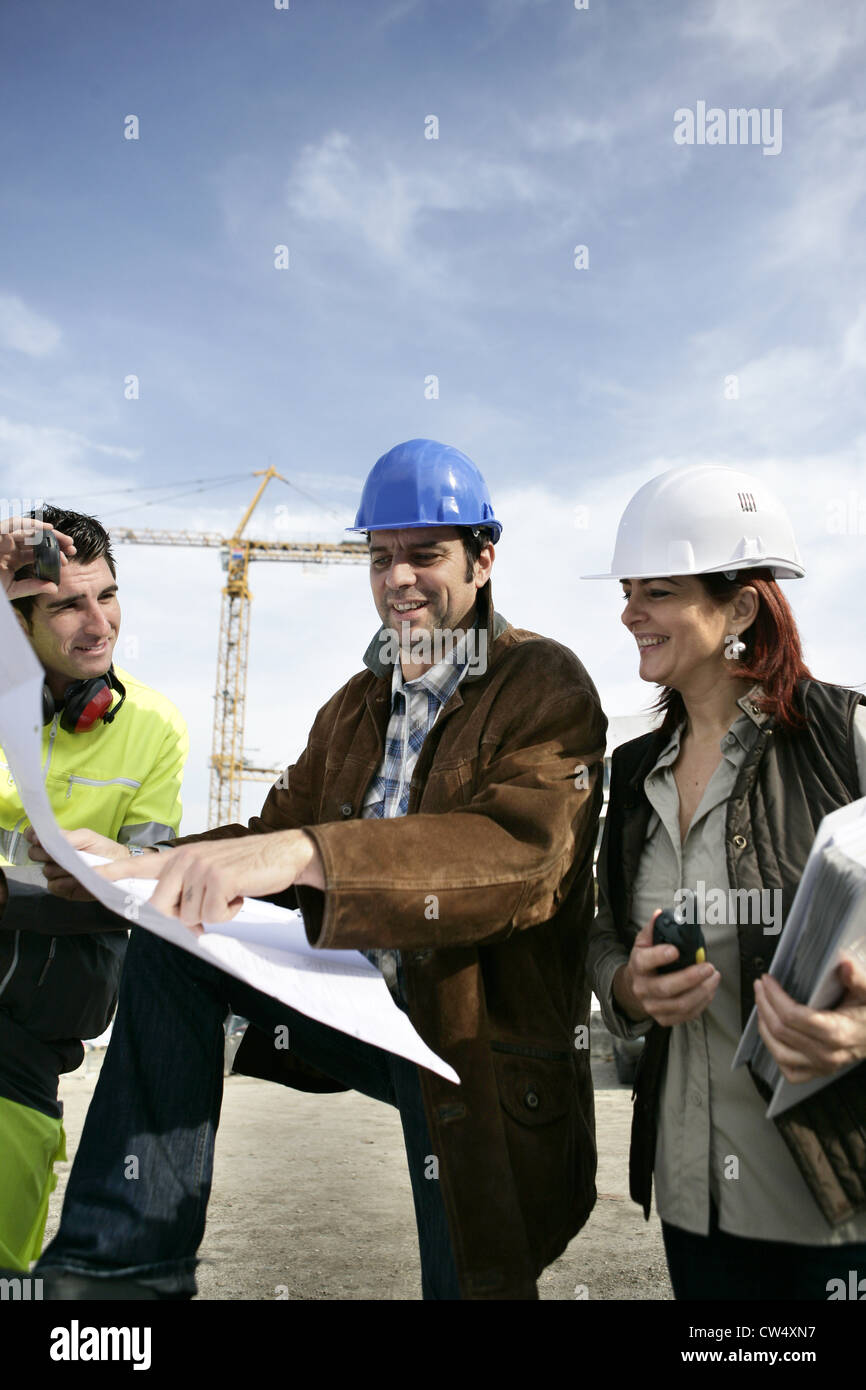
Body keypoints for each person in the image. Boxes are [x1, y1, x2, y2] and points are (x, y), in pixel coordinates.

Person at [31, 438, 606, 1301]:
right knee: (172, 937)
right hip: (356, 1009)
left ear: (483, 559)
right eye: (380, 558)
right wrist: (147, 864)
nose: (398, 579)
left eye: (424, 555)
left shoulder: (541, 682)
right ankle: (118, 1275)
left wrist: (310, 854)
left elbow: (518, 860)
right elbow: (269, 831)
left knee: (475, 1281)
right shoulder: (356, 702)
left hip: (468, 1041)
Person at [586, 463, 866, 1300]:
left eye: (658, 591)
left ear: (741, 606)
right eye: (629, 590)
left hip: (834, 1196)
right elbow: (597, 938)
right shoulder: (632, 773)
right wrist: (627, 985)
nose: (629, 611)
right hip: (692, 1195)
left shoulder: (843, 737)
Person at [0, 506, 189, 1271]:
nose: (97, 622)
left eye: (106, 596)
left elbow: (147, 887)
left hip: (32, 1021)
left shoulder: (154, 725)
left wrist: (112, 865)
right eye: (68, 604)